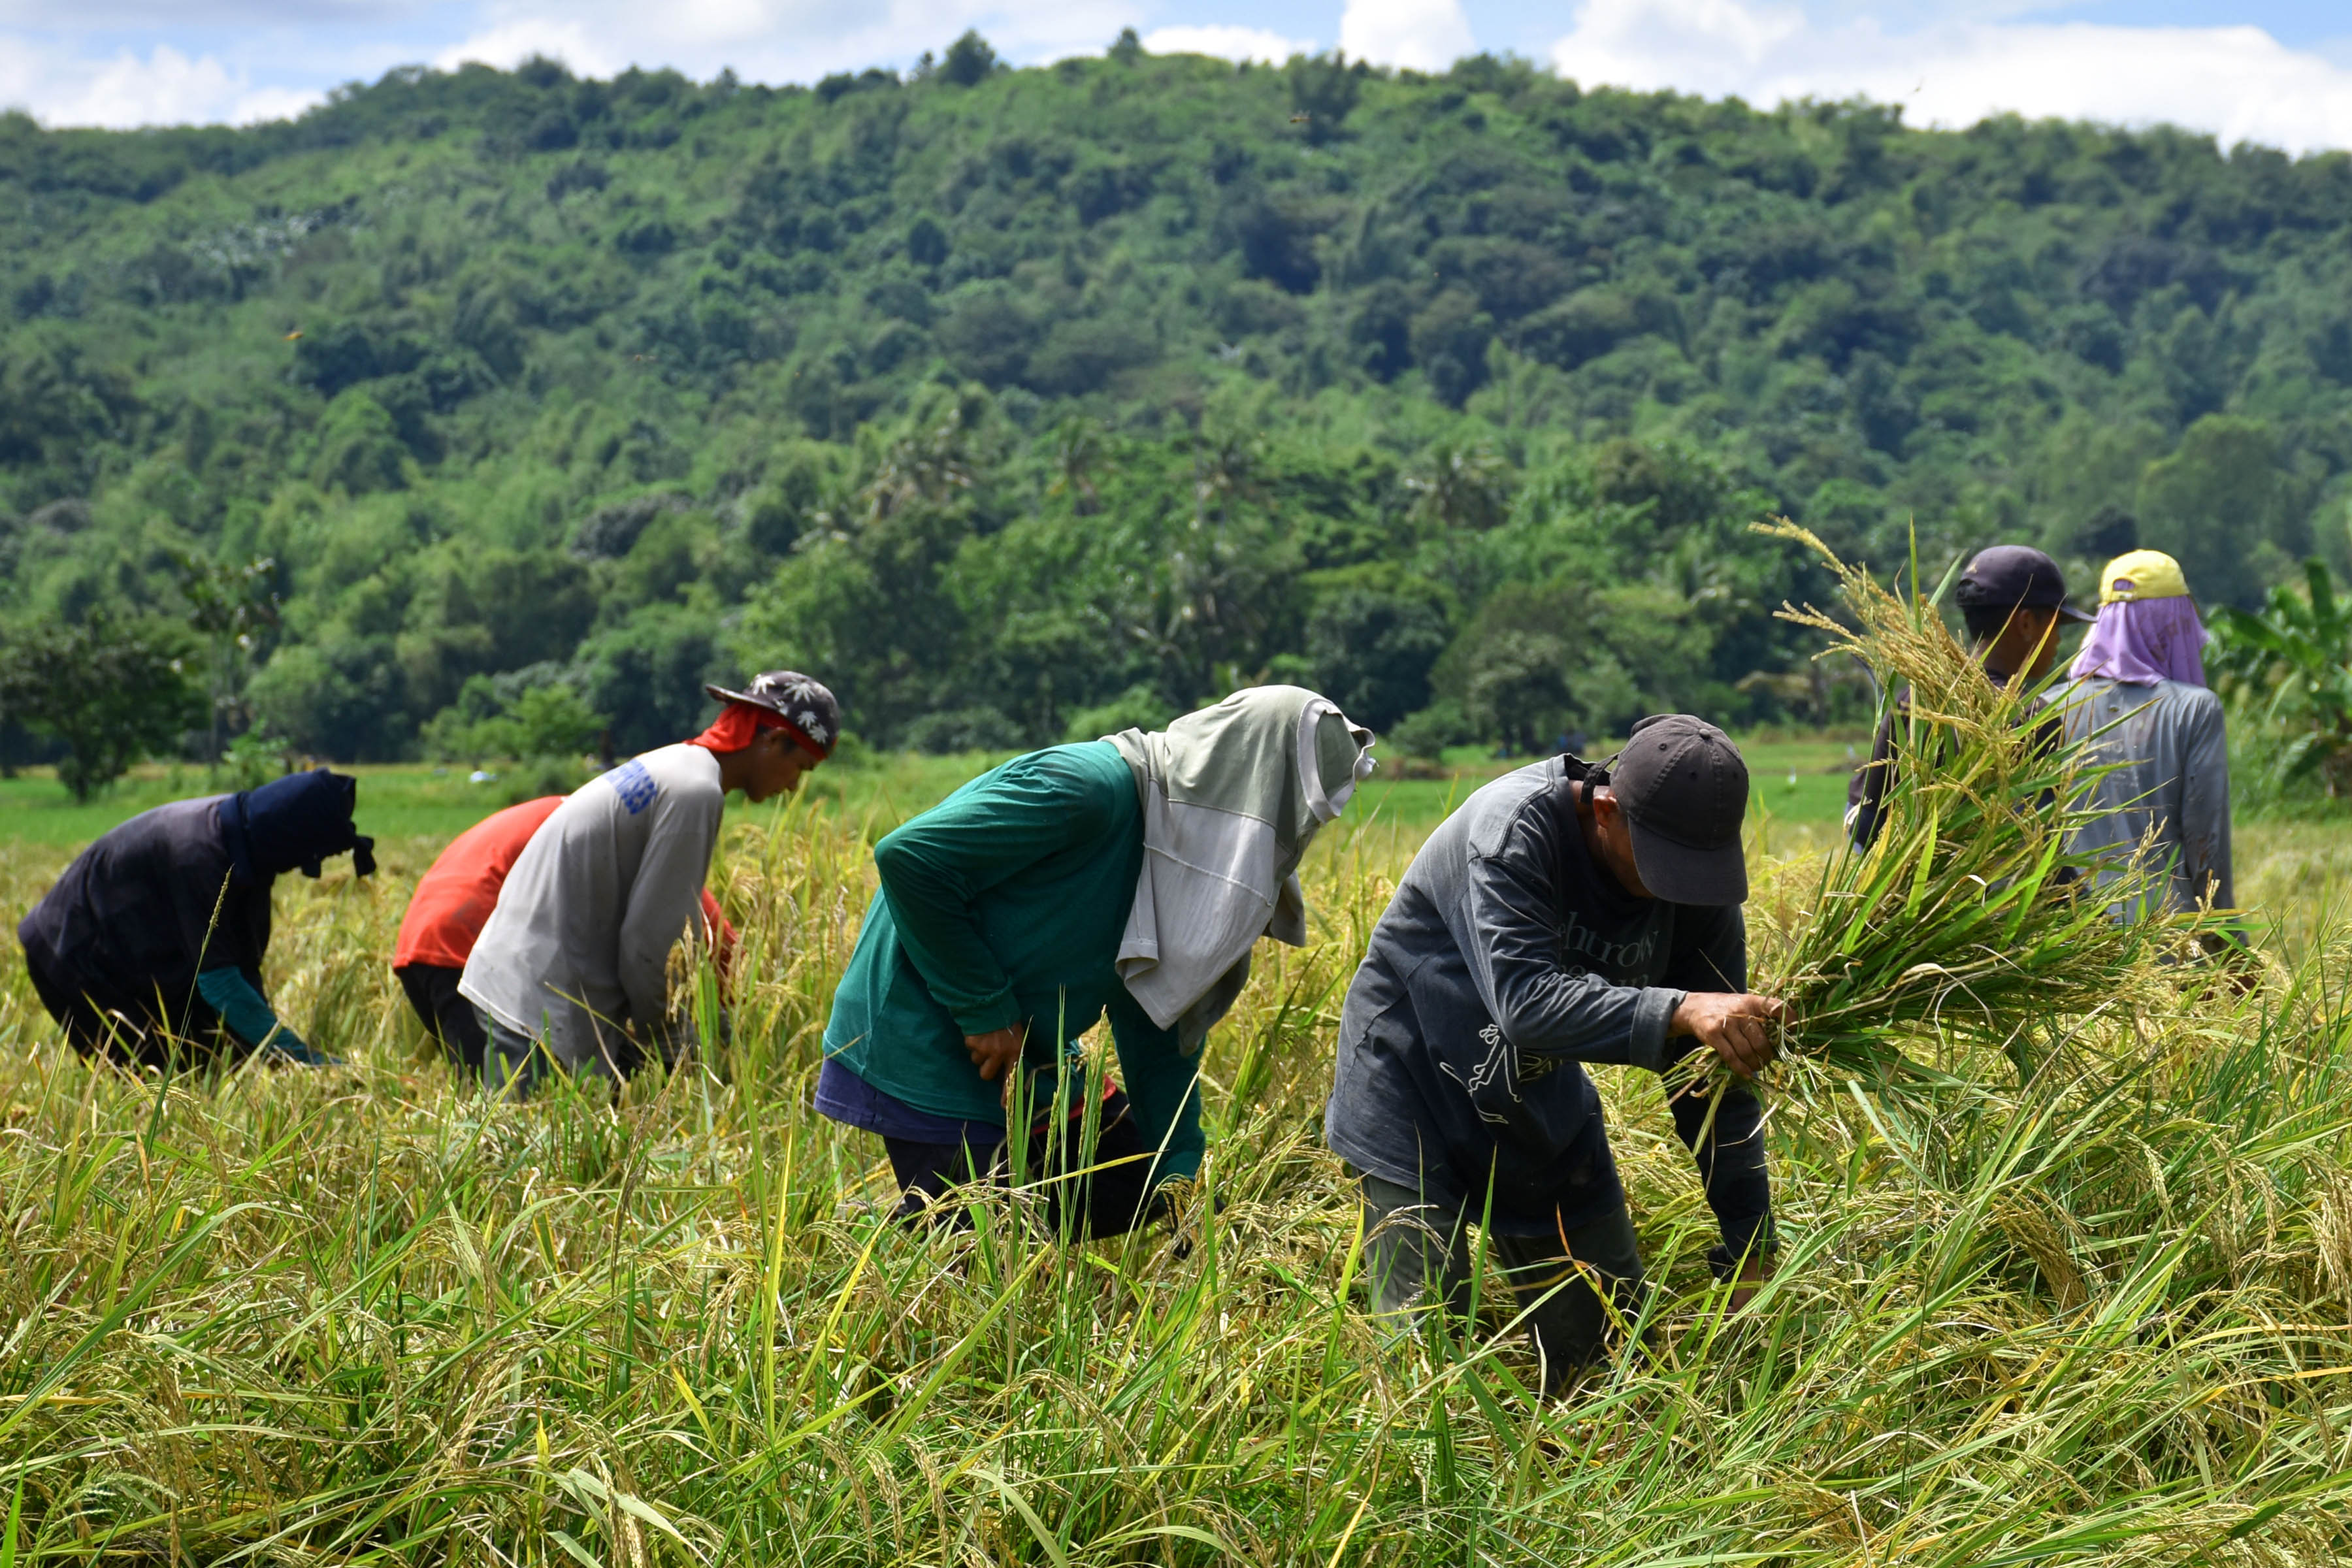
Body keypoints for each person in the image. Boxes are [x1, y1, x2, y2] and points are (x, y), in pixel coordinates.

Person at [1324, 715, 1780, 1394]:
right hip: (1412, 1079)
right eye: (1658, 865)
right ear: (1605, 809)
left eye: (1692, 873)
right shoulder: (1514, 833)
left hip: (1530, 1097)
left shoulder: (1695, 893)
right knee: (1428, 1359)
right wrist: (1680, 1008)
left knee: (1615, 1358)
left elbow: (1712, 1077)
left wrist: (1750, 1241)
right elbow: (1526, 1005)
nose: (1671, 891)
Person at [817, 685, 1375, 1237]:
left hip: (1029, 1056)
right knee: (971, 1256)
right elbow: (910, 858)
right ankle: (845, 1246)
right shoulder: (1089, 789)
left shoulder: (1176, 859)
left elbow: (1155, 1014)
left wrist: (1181, 1170)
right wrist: (983, 1010)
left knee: (1128, 1185)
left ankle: (893, 1230)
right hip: (922, 1036)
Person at [459, 670, 836, 1094]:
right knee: (533, 1153)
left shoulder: (674, 765)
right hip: (540, 1002)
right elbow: (647, 945)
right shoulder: (696, 792)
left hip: (519, 979)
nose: (793, 787)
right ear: (770, 742)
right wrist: (671, 1038)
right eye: (799, 767)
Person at [18, 768, 374, 1069]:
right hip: (72, 953)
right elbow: (220, 983)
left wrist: (271, 1042)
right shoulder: (198, 855)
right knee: (159, 1072)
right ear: (288, 840)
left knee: (222, 1047)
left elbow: (244, 965)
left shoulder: (248, 845)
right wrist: (301, 1058)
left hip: (134, 942)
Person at [392, 796, 735, 1071]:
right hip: (471, 943)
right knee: (524, 1104)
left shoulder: (594, 820)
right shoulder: (648, 859)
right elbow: (710, 939)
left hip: (419, 941)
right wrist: (738, 1020)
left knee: (481, 1088)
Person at [1847, 544, 2093, 848]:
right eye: (2057, 625)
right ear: (2027, 623)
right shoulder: (2030, 716)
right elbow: (2038, 849)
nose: (2057, 640)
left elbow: (1864, 822)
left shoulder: (1917, 696)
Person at [2059, 549, 2232, 923]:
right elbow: (2206, 845)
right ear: (2177, 624)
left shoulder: (2047, 705)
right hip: (2166, 941)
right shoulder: (2195, 709)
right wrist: (2229, 942)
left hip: (2068, 942)